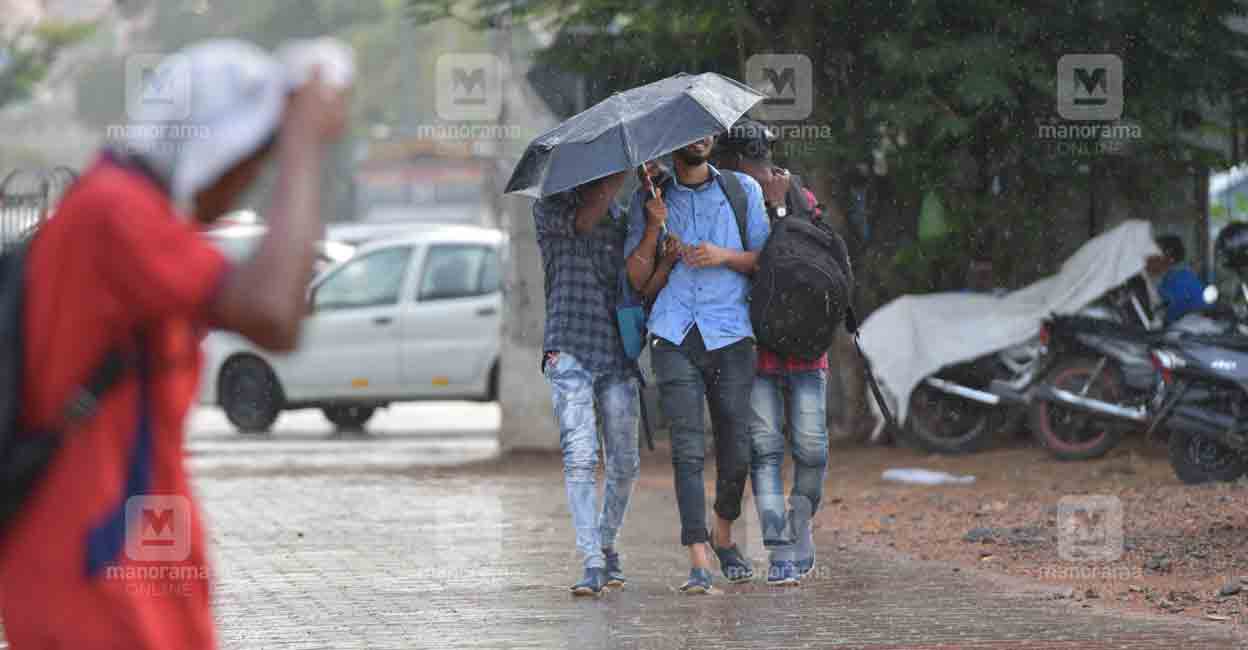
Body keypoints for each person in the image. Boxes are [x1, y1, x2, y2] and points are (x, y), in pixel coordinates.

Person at [0, 40, 348, 649]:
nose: (247, 185)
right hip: (99, 593)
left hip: (129, 582)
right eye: (251, 163)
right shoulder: (115, 213)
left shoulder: (130, 215)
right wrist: (303, 142)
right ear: (217, 149)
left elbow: (273, 302)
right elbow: (272, 316)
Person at [625, 135, 769, 594]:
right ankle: (699, 560)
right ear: (673, 142)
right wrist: (653, 229)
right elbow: (637, 281)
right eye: (691, 132)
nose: (702, 138)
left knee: (737, 445)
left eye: (707, 130)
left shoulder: (742, 190)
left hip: (731, 332)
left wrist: (722, 256)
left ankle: (723, 535)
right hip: (673, 333)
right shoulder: (650, 198)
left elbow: (767, 260)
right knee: (686, 450)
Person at [713, 119, 830, 586]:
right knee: (765, 452)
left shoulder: (800, 196)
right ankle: (780, 550)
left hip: (806, 348)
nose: (758, 170)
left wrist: (781, 210)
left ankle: (799, 532)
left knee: (813, 452)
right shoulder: (731, 203)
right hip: (757, 351)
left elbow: (799, 262)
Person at [534, 171, 642, 596]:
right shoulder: (550, 205)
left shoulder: (623, 216)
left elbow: (636, 278)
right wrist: (616, 181)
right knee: (579, 455)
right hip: (568, 347)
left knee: (625, 460)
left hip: (615, 350)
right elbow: (582, 222)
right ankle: (591, 559)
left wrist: (653, 223)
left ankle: (607, 541)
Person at [1148, 235, 1206, 323]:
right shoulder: (1168, 278)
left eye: (1153, 253)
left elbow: (1168, 313)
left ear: (1169, 256)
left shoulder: (1181, 278)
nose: (1148, 258)